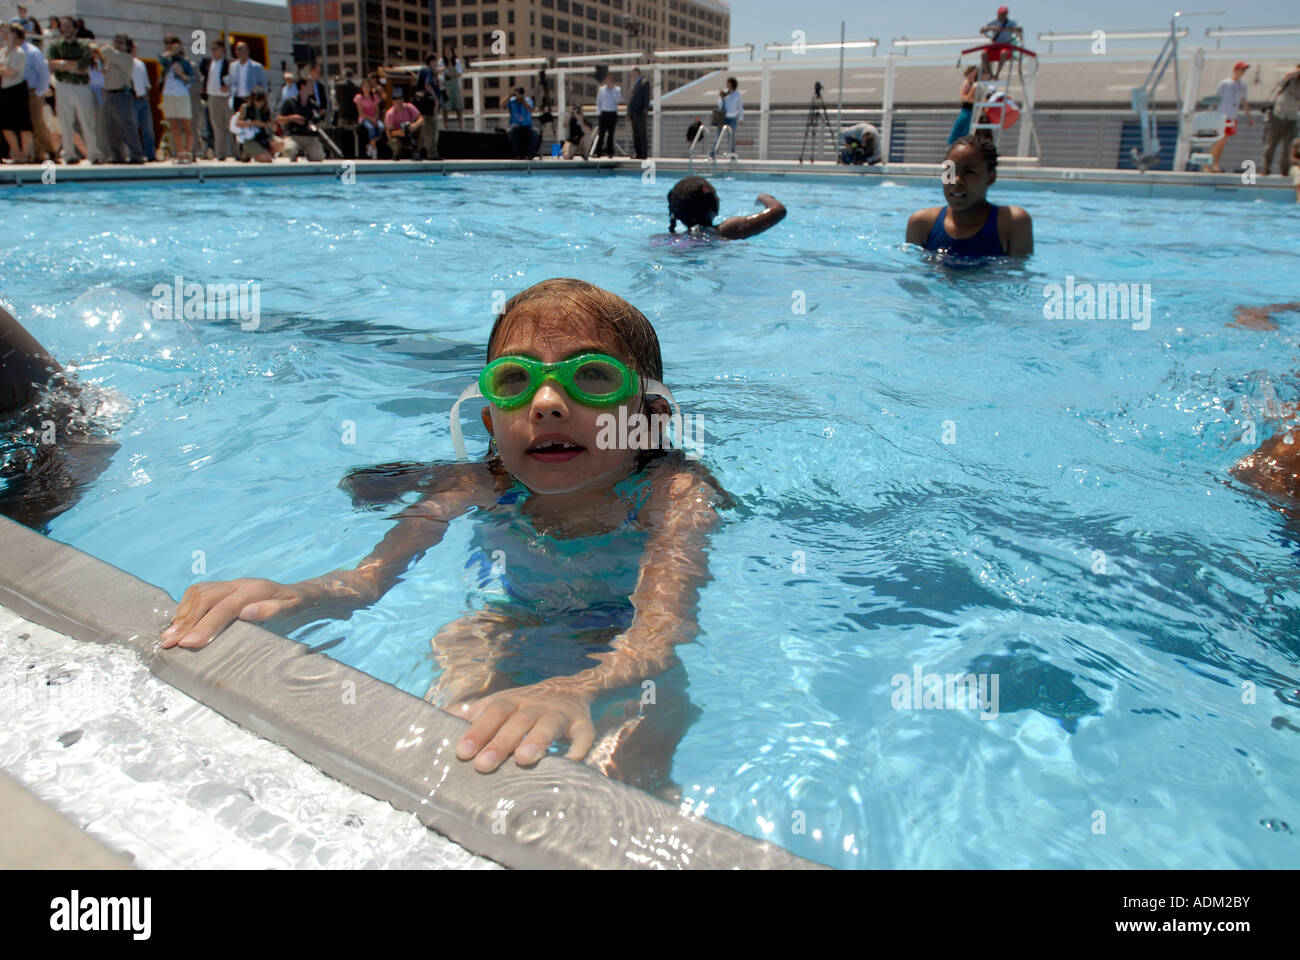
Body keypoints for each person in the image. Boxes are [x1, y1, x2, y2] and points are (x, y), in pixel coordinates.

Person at [161, 278, 727, 793]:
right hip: (512, 624)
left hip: (623, 647)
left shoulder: (674, 494)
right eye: (515, 380)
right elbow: (365, 582)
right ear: (492, 424)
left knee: (641, 740)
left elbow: (659, 635)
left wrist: (577, 687)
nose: (548, 403)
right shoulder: (481, 482)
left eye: (593, 377)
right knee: (452, 711)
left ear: (649, 420)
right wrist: (300, 594)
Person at [905, 134, 1033, 258]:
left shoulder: (1011, 223)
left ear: (991, 178)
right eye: (950, 170)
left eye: (969, 172)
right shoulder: (922, 224)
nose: (956, 180)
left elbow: (1019, 275)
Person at [665, 176, 786, 240]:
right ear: (716, 202)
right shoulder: (727, 231)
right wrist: (764, 197)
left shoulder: (665, 240)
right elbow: (779, 210)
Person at [46, 17, 99, 164]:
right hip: (63, 85)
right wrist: (70, 65)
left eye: (68, 26)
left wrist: (62, 64)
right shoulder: (55, 45)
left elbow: (83, 66)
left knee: (87, 121)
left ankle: (93, 154)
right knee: (65, 121)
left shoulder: (83, 45)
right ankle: (69, 155)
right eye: (63, 26)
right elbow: (51, 64)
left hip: (81, 86)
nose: (65, 29)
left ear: (75, 29)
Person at [89, 33, 144, 164]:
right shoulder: (112, 58)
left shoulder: (126, 57)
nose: (117, 45)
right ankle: (117, 155)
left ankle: (137, 154)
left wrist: (103, 48)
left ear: (126, 46)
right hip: (109, 94)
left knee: (127, 126)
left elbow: (105, 50)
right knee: (110, 127)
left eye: (120, 42)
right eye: (116, 42)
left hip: (122, 94)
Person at [1208, 61, 1252, 173]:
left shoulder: (1243, 86)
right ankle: (1209, 164)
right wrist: (1210, 112)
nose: (1242, 72)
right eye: (1241, 69)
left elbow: (1244, 101)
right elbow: (1216, 97)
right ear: (1235, 70)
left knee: (1223, 142)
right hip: (1222, 116)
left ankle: (1215, 164)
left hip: (1232, 117)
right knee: (1219, 141)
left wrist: (1249, 117)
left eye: (1244, 70)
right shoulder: (1225, 83)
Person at [18, 24, 53, 162]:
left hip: (34, 92)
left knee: (38, 123)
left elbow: (44, 74)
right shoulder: (13, 51)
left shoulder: (32, 52)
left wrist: (39, 92)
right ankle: (38, 154)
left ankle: (51, 152)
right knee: (27, 124)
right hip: (21, 93)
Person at [158, 34, 195, 163]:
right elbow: (160, 59)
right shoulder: (167, 60)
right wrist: (170, 54)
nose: (168, 45)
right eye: (166, 43)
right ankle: (179, 153)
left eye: (171, 43)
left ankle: (188, 152)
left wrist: (181, 74)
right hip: (168, 93)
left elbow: (191, 80)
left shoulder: (185, 61)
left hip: (181, 94)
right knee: (173, 125)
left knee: (186, 125)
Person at [0, 21, 31, 162]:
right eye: (3, 32)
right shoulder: (2, 52)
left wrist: (3, 70)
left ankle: (24, 154)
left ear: (14, 34)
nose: (4, 35)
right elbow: (5, 71)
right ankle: (17, 153)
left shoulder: (19, 53)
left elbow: (11, 73)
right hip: (4, 90)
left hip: (18, 90)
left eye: (7, 32)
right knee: (5, 125)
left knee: (22, 124)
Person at [1262, 63, 1300, 176]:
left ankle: (1285, 170)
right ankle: (1265, 168)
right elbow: (1283, 79)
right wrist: (1296, 71)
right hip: (1278, 115)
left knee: (1288, 146)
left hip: (1292, 117)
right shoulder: (1289, 79)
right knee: (1271, 144)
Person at [277, 78, 325, 161]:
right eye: (310, 85)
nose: (312, 88)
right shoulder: (290, 102)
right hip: (293, 136)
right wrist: (292, 118)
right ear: (303, 87)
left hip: (309, 137)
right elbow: (279, 119)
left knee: (318, 156)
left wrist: (313, 126)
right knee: (289, 151)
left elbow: (318, 122)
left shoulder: (313, 105)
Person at [200, 39, 233, 160]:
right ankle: (220, 153)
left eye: (215, 49)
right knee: (217, 127)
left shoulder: (229, 64)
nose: (213, 52)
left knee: (231, 126)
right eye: (211, 49)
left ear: (222, 49)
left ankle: (236, 152)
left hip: (226, 98)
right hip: (212, 97)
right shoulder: (207, 63)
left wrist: (228, 87)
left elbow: (234, 81)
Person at [233, 87, 280, 162]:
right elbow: (238, 123)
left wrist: (268, 125)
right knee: (266, 159)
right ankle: (247, 152)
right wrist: (253, 123)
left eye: (261, 100)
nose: (259, 103)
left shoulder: (265, 109)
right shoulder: (246, 108)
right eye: (257, 100)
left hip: (262, 137)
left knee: (280, 144)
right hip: (250, 138)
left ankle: (263, 152)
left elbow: (274, 126)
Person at [979, 5, 1022, 79]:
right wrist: (992, 28)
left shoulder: (1011, 22)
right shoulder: (992, 21)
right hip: (995, 45)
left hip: (1006, 46)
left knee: (1003, 53)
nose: (1002, 16)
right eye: (1001, 14)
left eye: (1004, 14)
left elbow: (1020, 29)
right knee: (983, 54)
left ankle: (997, 74)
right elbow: (982, 30)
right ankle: (990, 74)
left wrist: (1005, 29)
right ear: (997, 14)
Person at [413, 54, 442, 159]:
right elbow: (427, 85)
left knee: (423, 129)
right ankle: (432, 153)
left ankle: (417, 151)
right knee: (431, 129)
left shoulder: (423, 70)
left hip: (422, 105)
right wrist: (435, 99)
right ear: (431, 61)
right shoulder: (428, 71)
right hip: (428, 105)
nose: (436, 66)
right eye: (435, 63)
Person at [382, 86, 422, 160]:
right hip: (397, 135)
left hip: (410, 133)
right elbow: (388, 133)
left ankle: (416, 152)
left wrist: (415, 125)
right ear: (392, 101)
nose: (398, 102)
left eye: (400, 99)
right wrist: (399, 132)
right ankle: (396, 156)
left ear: (403, 100)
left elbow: (421, 118)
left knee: (422, 130)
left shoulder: (409, 107)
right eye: (395, 100)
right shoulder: (390, 113)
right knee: (395, 144)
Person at [228, 41, 267, 115]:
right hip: (237, 99)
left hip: (251, 99)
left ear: (247, 51)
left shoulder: (257, 67)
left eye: (239, 49)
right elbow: (231, 82)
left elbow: (264, 85)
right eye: (236, 49)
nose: (237, 52)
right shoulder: (232, 66)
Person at [130, 41, 153, 161]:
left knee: (148, 129)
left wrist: (147, 94)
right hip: (131, 100)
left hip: (143, 100)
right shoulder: (125, 63)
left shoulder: (141, 64)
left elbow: (146, 82)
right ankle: (134, 155)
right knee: (132, 130)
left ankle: (150, 155)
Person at [710, 76, 742, 159]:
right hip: (723, 118)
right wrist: (721, 97)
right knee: (718, 136)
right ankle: (713, 153)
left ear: (732, 84)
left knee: (731, 137)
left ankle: (732, 154)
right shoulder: (725, 92)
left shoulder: (737, 94)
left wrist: (741, 118)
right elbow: (719, 105)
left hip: (732, 118)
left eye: (728, 82)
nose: (726, 84)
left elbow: (740, 107)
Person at [354, 75, 383, 159]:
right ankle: (374, 148)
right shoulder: (359, 98)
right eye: (365, 86)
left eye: (368, 86)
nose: (366, 88)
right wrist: (371, 119)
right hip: (364, 119)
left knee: (381, 127)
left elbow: (377, 110)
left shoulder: (374, 97)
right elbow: (361, 112)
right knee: (371, 128)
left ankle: (371, 144)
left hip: (374, 118)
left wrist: (375, 118)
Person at [506, 85, 539, 159]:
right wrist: (509, 96)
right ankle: (517, 154)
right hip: (515, 124)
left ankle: (530, 155)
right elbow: (502, 105)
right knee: (510, 132)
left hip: (527, 125)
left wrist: (522, 101)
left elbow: (530, 109)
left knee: (535, 132)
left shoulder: (528, 100)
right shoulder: (512, 101)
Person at [333, 67, 360, 158]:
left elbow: (337, 99)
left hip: (343, 112)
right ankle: (352, 153)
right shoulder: (356, 86)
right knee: (352, 135)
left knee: (343, 134)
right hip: (354, 113)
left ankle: (344, 153)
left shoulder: (339, 85)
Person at [436, 41, 463, 131]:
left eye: (449, 51)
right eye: (446, 51)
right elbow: (439, 71)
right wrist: (446, 68)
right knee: (446, 106)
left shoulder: (457, 61)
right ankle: (445, 126)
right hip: (446, 86)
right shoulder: (441, 61)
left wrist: (450, 62)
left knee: (458, 106)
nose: (448, 53)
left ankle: (460, 126)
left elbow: (459, 73)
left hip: (455, 86)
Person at [949, 65, 980, 144]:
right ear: (969, 72)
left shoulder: (974, 83)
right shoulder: (967, 83)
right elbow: (962, 97)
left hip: (972, 110)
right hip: (966, 110)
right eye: (974, 72)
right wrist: (973, 99)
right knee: (962, 129)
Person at [594, 71, 621, 157]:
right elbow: (598, 102)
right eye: (608, 78)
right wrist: (599, 113)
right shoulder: (601, 89)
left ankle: (610, 152)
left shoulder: (617, 89)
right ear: (605, 79)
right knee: (601, 133)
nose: (609, 80)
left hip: (612, 113)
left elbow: (619, 100)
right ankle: (598, 151)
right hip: (604, 113)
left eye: (611, 78)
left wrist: (612, 90)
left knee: (611, 134)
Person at [626, 66, 649, 160]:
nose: (631, 75)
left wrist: (645, 110)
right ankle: (638, 153)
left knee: (641, 134)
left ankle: (643, 153)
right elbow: (631, 100)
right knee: (635, 134)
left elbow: (646, 97)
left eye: (632, 73)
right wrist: (629, 113)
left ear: (637, 72)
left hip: (640, 113)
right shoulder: (634, 84)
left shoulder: (644, 82)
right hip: (634, 114)